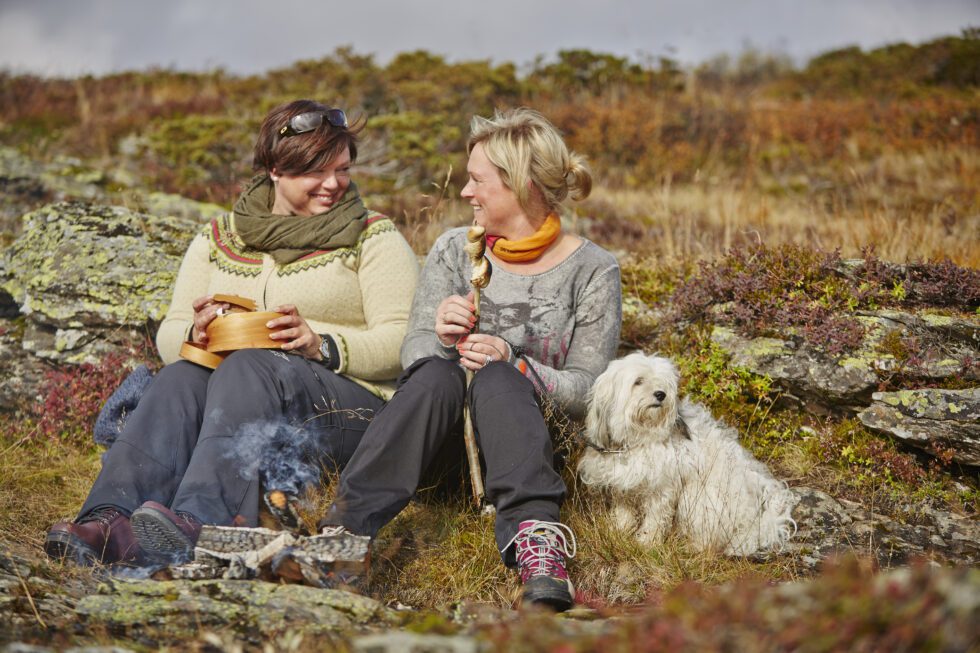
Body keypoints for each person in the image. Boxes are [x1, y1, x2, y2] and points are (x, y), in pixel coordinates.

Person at [45, 100, 419, 565]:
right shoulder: (219, 237)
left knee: (250, 365)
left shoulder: (374, 236)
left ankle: (203, 520)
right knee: (180, 377)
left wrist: (320, 344)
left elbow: (407, 341)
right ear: (274, 169)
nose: (333, 184)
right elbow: (171, 331)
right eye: (315, 173)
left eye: (342, 169)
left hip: (354, 414)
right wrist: (196, 332)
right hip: (245, 399)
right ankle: (108, 521)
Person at [319, 108, 622, 611]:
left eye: (477, 180)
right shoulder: (451, 251)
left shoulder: (593, 268)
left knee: (501, 377)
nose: (464, 193)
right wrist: (438, 332)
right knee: (437, 372)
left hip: (532, 450)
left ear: (521, 185)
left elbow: (588, 391)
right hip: (444, 450)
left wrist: (516, 361)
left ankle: (537, 543)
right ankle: (343, 530)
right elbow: (412, 356)